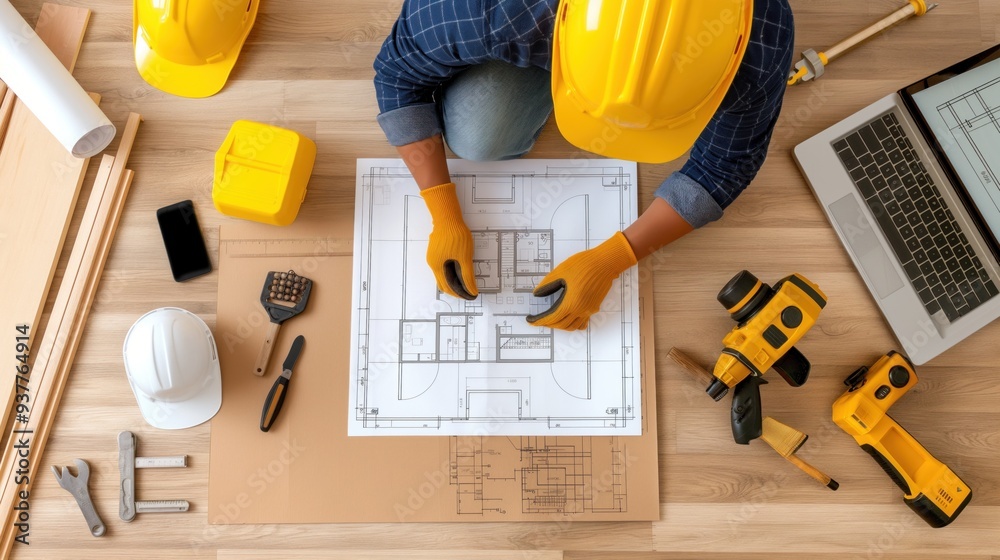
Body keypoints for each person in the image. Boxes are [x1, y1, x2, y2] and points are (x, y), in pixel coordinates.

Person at [373, 0, 793, 331]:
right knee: (480, 139)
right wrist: (442, 212)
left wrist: (614, 258)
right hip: (529, 22)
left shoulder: (762, 39)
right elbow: (398, 74)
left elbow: (725, 166)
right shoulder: (496, 9)